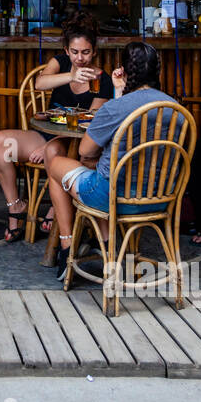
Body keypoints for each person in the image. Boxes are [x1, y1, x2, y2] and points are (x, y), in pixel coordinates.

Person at [46, 41, 175, 279]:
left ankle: (67, 248)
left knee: (56, 164)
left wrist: (117, 95)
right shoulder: (173, 106)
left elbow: (85, 150)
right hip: (159, 199)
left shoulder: (117, 107)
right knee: (98, 169)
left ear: (124, 71)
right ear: (158, 71)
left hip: (113, 198)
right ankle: (106, 246)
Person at [0, 16, 114, 242]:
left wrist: (49, 144)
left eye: (85, 52)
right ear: (67, 50)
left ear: (94, 52)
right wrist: (71, 75)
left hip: (73, 142)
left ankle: (57, 209)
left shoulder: (102, 80)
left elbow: (91, 122)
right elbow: (39, 83)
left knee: (53, 152)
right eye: (75, 52)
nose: (80, 58)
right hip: (44, 134)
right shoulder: (60, 63)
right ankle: (15, 207)